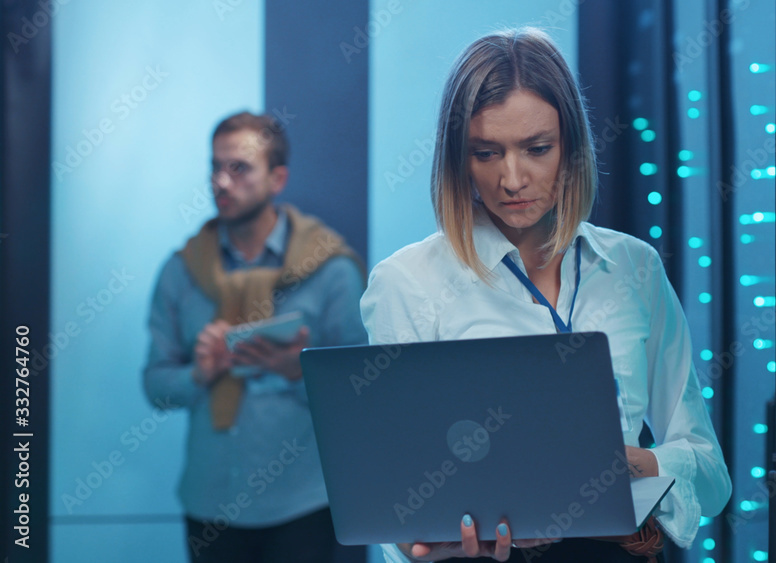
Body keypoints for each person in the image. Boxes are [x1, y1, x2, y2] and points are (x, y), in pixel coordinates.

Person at [360, 28, 732, 563]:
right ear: (459, 160)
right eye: (486, 153)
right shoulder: (407, 283)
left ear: (571, 148)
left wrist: (618, 464)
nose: (513, 179)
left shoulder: (634, 267)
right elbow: (393, 509)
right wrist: (441, 542)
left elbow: (710, 474)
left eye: (537, 149)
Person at [143, 111, 368, 562]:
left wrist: (296, 371)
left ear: (277, 178)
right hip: (210, 505)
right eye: (215, 168)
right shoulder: (181, 271)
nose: (221, 182)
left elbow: (363, 392)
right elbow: (156, 387)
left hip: (307, 505)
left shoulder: (332, 269)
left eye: (239, 168)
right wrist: (199, 373)